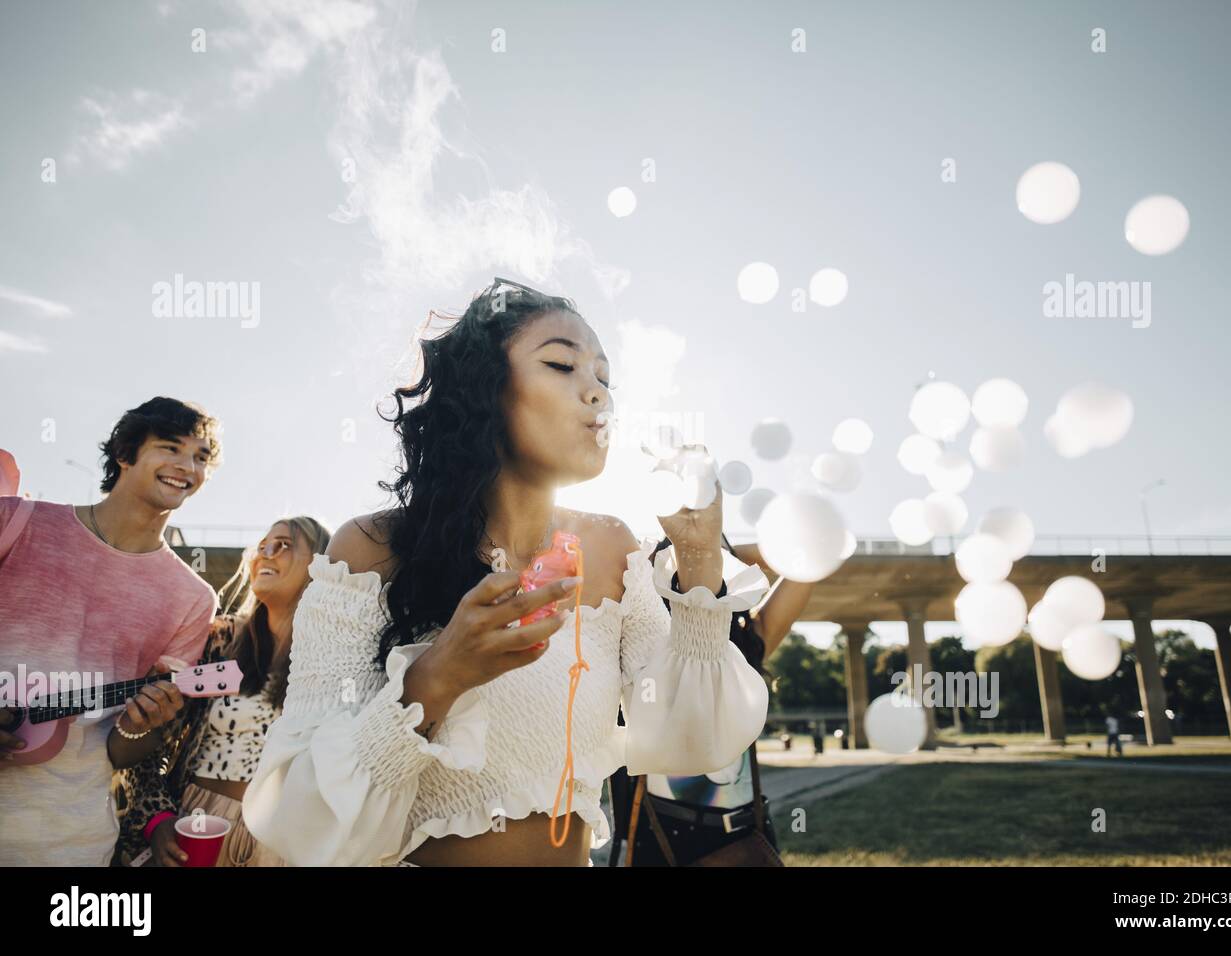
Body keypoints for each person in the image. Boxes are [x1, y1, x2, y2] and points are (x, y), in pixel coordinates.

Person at [242, 277, 771, 866]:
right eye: (562, 365)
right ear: (484, 389)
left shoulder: (612, 548)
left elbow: (692, 738)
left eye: (604, 377)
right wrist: (438, 677)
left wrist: (698, 563)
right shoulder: (369, 551)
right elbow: (298, 817)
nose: (596, 393)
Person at [0, 397, 221, 865]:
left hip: (69, 842)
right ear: (125, 453)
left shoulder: (193, 599)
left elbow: (120, 751)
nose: (188, 467)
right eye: (171, 448)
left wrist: (144, 727)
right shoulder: (15, 522)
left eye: (201, 458)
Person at [112, 516, 331, 867]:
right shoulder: (217, 641)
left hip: (288, 840)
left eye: (283, 546)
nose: (266, 555)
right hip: (199, 825)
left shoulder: (337, 660)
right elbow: (153, 736)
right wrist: (157, 819)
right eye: (262, 546)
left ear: (319, 564)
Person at [607, 534, 814, 865]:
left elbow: (808, 554)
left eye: (715, 563)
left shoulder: (742, 649)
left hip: (746, 833)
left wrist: (719, 549)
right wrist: (698, 547)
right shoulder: (633, 648)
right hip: (661, 835)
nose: (701, 572)